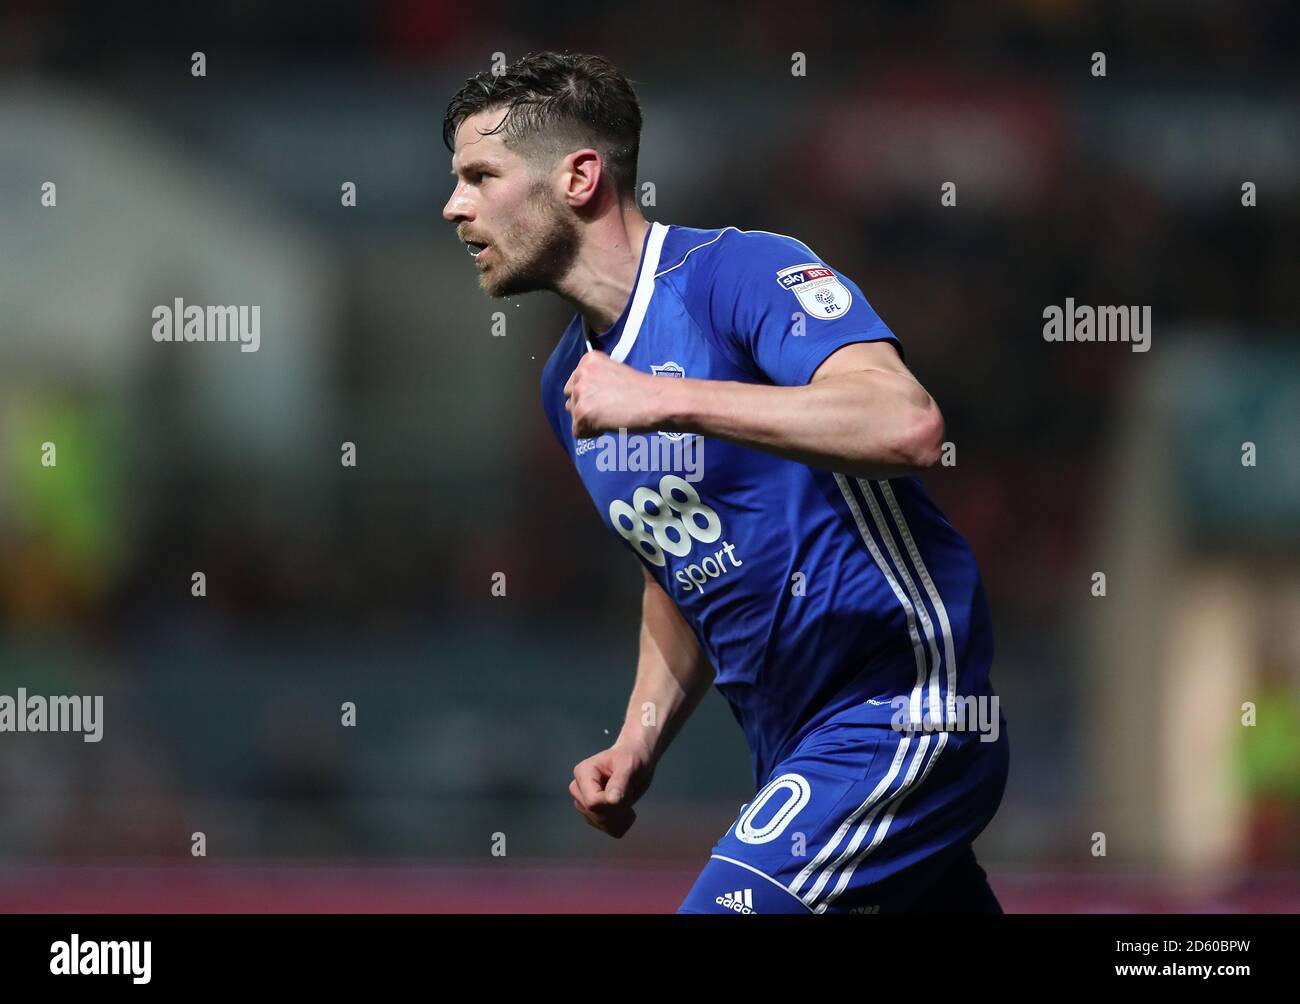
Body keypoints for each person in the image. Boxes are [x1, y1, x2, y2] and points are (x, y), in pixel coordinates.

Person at [442, 51, 1008, 914]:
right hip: (791, 746)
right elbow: (678, 558)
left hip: (903, 707)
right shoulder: (575, 384)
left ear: (580, 176)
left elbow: (906, 424)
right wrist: (639, 740)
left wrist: (667, 399)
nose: (456, 206)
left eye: (481, 175)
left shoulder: (734, 275)